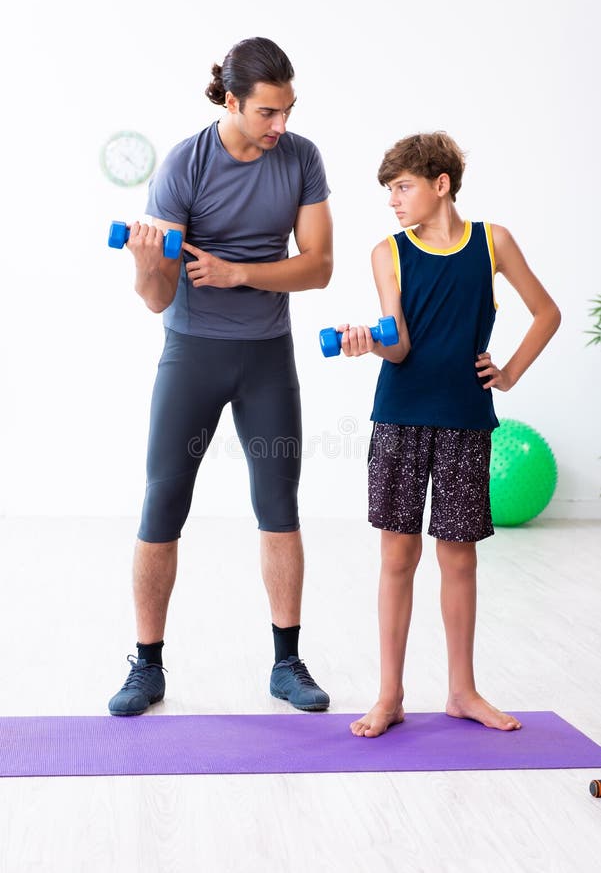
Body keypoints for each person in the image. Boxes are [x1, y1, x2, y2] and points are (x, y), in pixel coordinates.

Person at [108, 37, 333, 716]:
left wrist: (240, 273)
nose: (280, 126)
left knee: (279, 507)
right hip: (193, 354)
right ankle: (146, 666)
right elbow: (154, 297)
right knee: (162, 507)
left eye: (287, 110)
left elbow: (318, 266)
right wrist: (148, 261)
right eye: (267, 112)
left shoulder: (300, 159)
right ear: (230, 101)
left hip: (266, 357)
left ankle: (287, 663)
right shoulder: (184, 165)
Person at [336, 131, 561, 738]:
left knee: (458, 559)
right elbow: (400, 341)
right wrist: (367, 341)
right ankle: (390, 695)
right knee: (397, 556)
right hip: (401, 417)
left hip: (466, 420)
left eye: (402, 187)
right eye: (388, 190)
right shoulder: (387, 252)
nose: (393, 200)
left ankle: (462, 691)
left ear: (441, 185)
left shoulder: (494, 242)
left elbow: (548, 312)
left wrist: (509, 372)